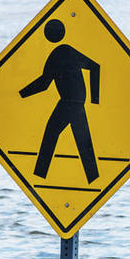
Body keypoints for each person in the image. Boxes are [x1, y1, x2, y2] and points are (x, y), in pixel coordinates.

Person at [19, 19, 100, 183]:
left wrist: (95, 99)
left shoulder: (60, 53)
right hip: (75, 102)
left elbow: (95, 66)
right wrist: (20, 94)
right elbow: (44, 84)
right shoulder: (63, 52)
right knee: (83, 142)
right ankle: (93, 179)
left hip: (69, 103)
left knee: (51, 135)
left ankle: (40, 176)